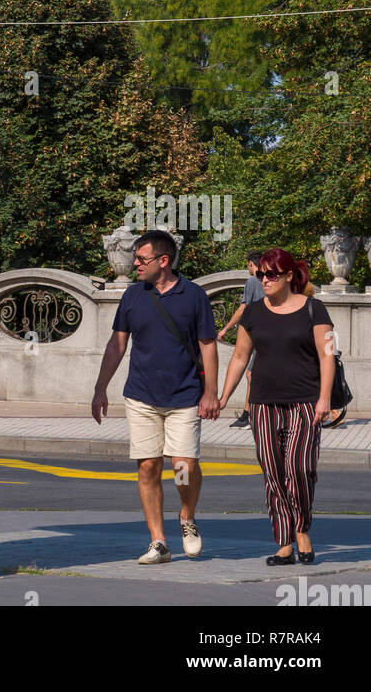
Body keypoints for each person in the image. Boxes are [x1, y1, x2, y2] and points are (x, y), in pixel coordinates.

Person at [92, 232, 220, 564]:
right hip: (141, 396)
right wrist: (99, 388)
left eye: (141, 259)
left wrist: (211, 393)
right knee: (148, 465)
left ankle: (187, 518)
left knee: (183, 466)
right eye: (135, 258)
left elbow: (208, 345)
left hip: (185, 395)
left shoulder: (193, 296)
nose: (135, 264)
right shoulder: (133, 296)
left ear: (163, 261)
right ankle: (158, 542)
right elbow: (117, 344)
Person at [219, 248, 334, 565]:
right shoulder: (253, 312)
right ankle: (284, 543)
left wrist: (324, 398)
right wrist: (223, 396)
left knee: (299, 469)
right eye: (260, 274)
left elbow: (327, 356)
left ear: (287, 276)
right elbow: (241, 356)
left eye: (271, 274)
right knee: (273, 473)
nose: (264, 279)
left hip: (306, 402)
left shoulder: (315, 309)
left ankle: (302, 530)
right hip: (263, 405)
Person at [217, 252, 263, 426]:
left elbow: (243, 308)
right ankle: (248, 413)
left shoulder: (252, 282)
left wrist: (225, 329)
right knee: (252, 374)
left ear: (251, 264)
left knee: (252, 374)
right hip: (265, 333)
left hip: (259, 334)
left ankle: (249, 414)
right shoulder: (271, 281)